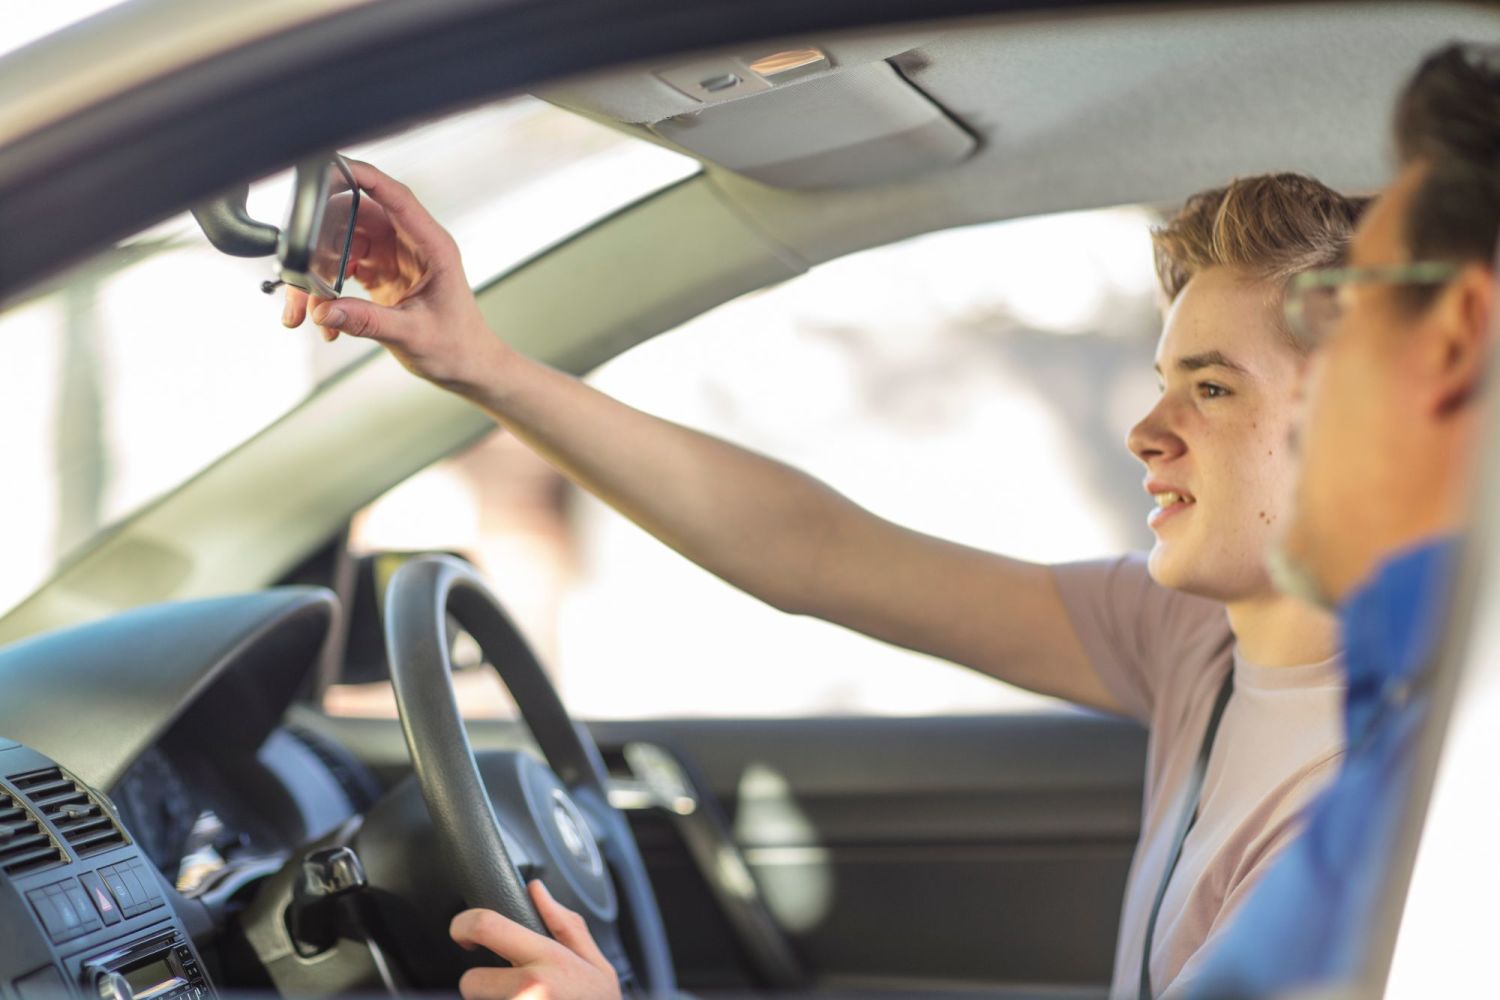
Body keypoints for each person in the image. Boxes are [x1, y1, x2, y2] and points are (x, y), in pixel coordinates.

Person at [285, 170, 1365, 999]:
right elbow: (815, 552)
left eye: (1213, 388)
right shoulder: (1201, 639)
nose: (1145, 432)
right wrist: (482, 362)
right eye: (1164, 381)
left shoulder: (1370, 811)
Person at [1181, 42, 1500, 999]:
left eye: (1337, 311)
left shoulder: (1450, 793)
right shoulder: (1424, 712)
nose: (1307, 383)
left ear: (1454, 335)